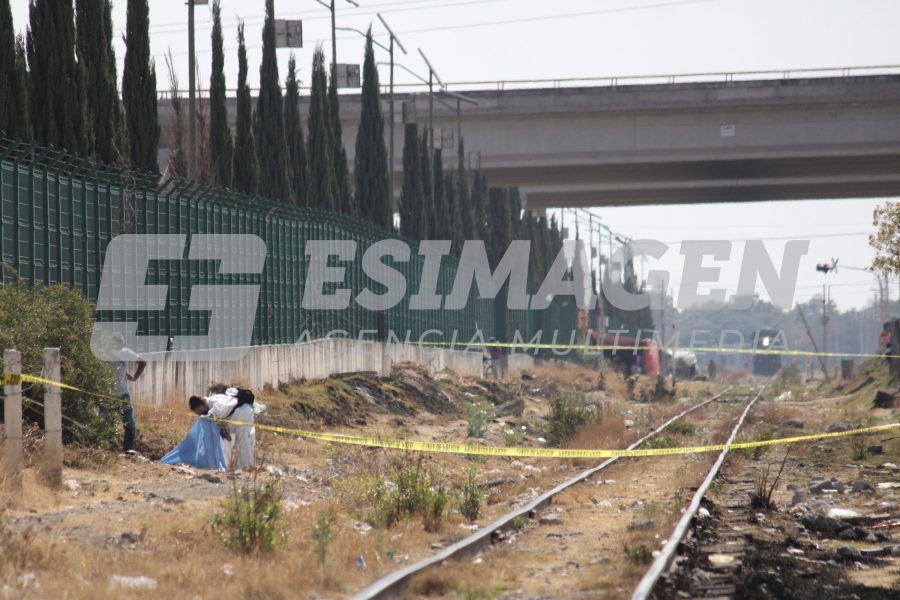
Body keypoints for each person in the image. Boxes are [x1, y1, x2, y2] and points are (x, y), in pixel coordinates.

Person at [159, 396, 228, 471]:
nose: (199, 414)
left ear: (201, 405)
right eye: (197, 413)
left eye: (198, 411)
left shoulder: (215, 405)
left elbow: (220, 415)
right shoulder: (205, 416)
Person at [106, 335, 146, 454]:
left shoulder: (125, 353)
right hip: (107, 395)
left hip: (123, 394)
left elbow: (143, 362)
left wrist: (133, 377)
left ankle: (128, 451)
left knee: (129, 424)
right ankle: (108, 450)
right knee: (106, 424)